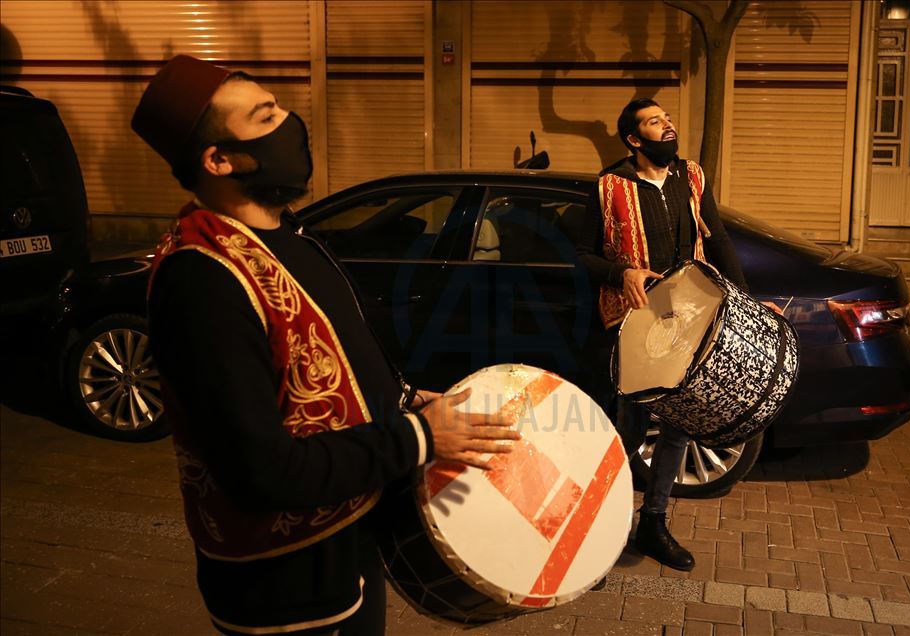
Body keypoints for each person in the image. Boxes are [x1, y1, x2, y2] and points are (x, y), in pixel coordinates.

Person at [131, 55, 519, 635]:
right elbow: (261, 471)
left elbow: (336, 353)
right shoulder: (201, 279)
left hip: (348, 546)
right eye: (266, 117)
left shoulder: (286, 234)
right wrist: (420, 437)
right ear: (218, 160)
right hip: (286, 590)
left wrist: (405, 399)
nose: (291, 122)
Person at [575, 97, 778, 572]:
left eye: (667, 119)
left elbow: (718, 240)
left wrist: (746, 301)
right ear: (634, 138)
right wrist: (621, 272)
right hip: (635, 322)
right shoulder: (609, 186)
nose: (667, 126)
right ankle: (598, 533)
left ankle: (654, 522)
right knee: (626, 430)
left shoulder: (692, 177)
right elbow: (582, 255)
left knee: (678, 427)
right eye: (654, 122)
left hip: (688, 317)